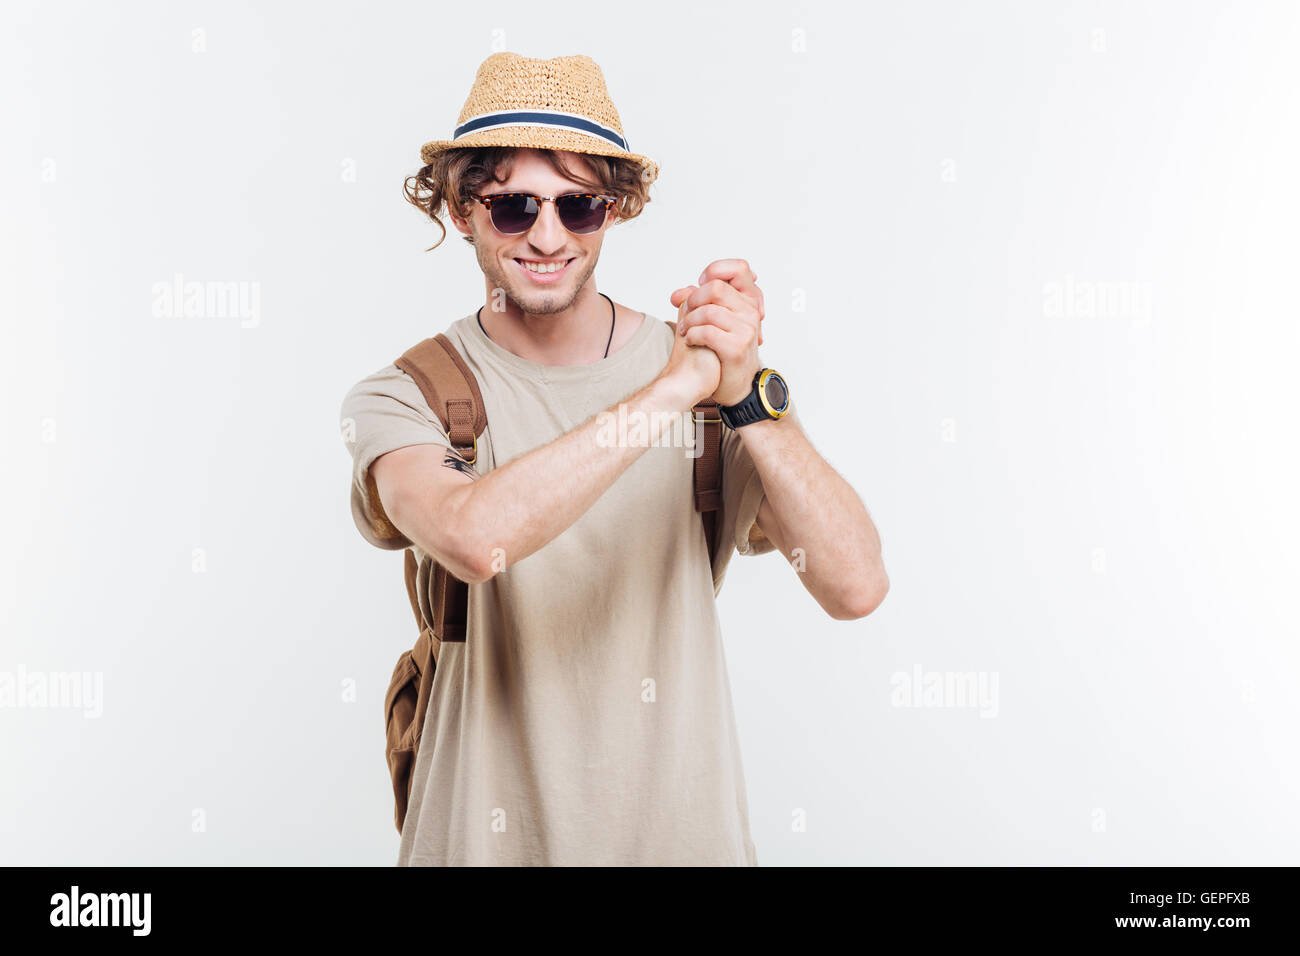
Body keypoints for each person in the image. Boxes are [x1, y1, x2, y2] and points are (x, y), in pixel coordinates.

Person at [339, 51, 889, 866]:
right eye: (513, 207)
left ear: (617, 209)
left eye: (580, 205)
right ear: (461, 209)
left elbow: (857, 587)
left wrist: (743, 398)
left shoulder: (715, 385)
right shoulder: (409, 393)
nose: (549, 236)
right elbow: (472, 538)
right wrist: (673, 392)